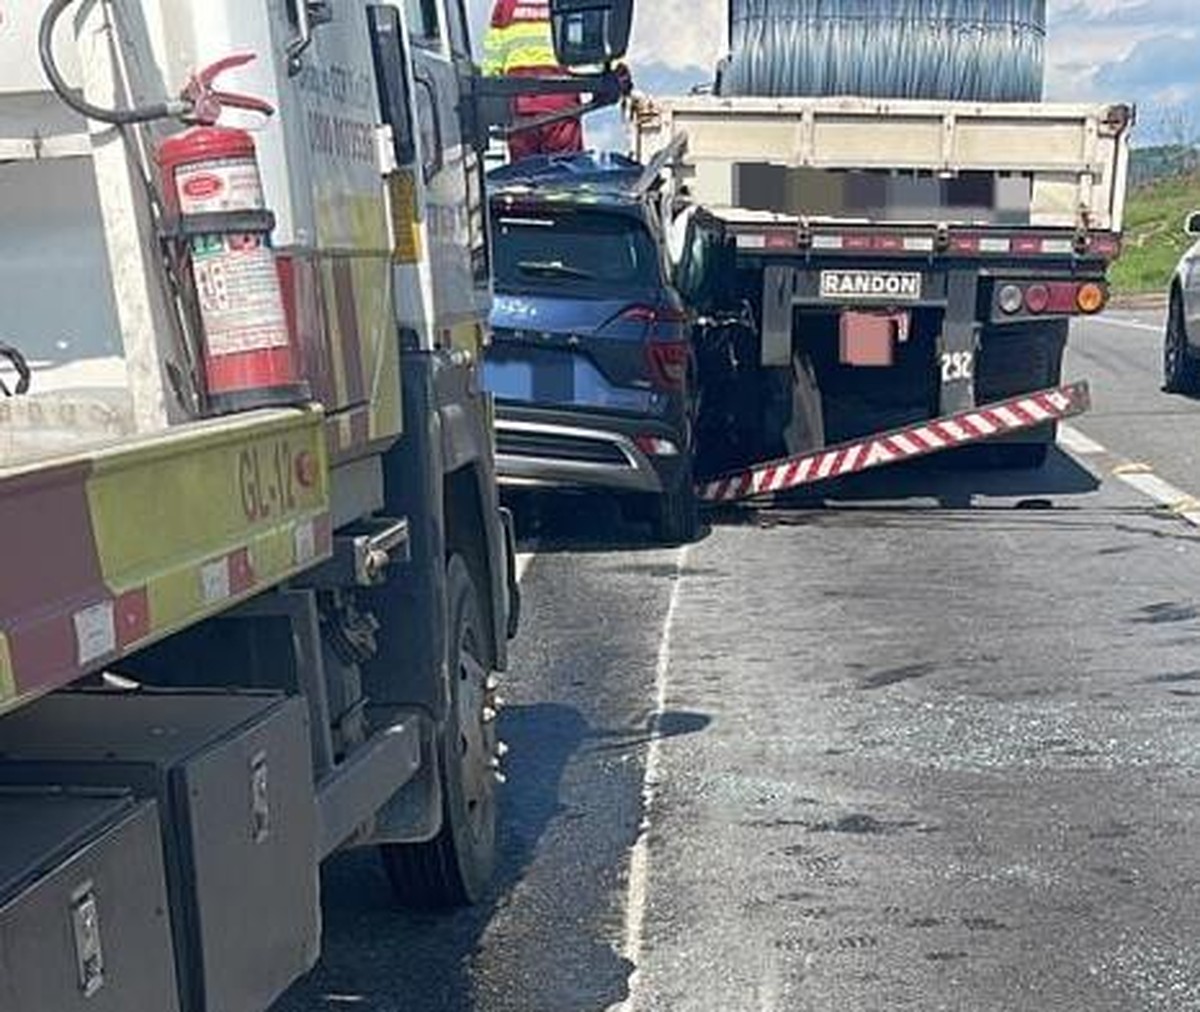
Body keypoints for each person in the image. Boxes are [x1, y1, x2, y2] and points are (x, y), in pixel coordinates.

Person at [482, 0, 585, 161]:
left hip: (519, 106)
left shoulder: (505, 5)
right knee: (565, 175)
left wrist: (489, 98)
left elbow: (492, 61)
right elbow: (594, 47)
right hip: (561, 104)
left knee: (524, 175)